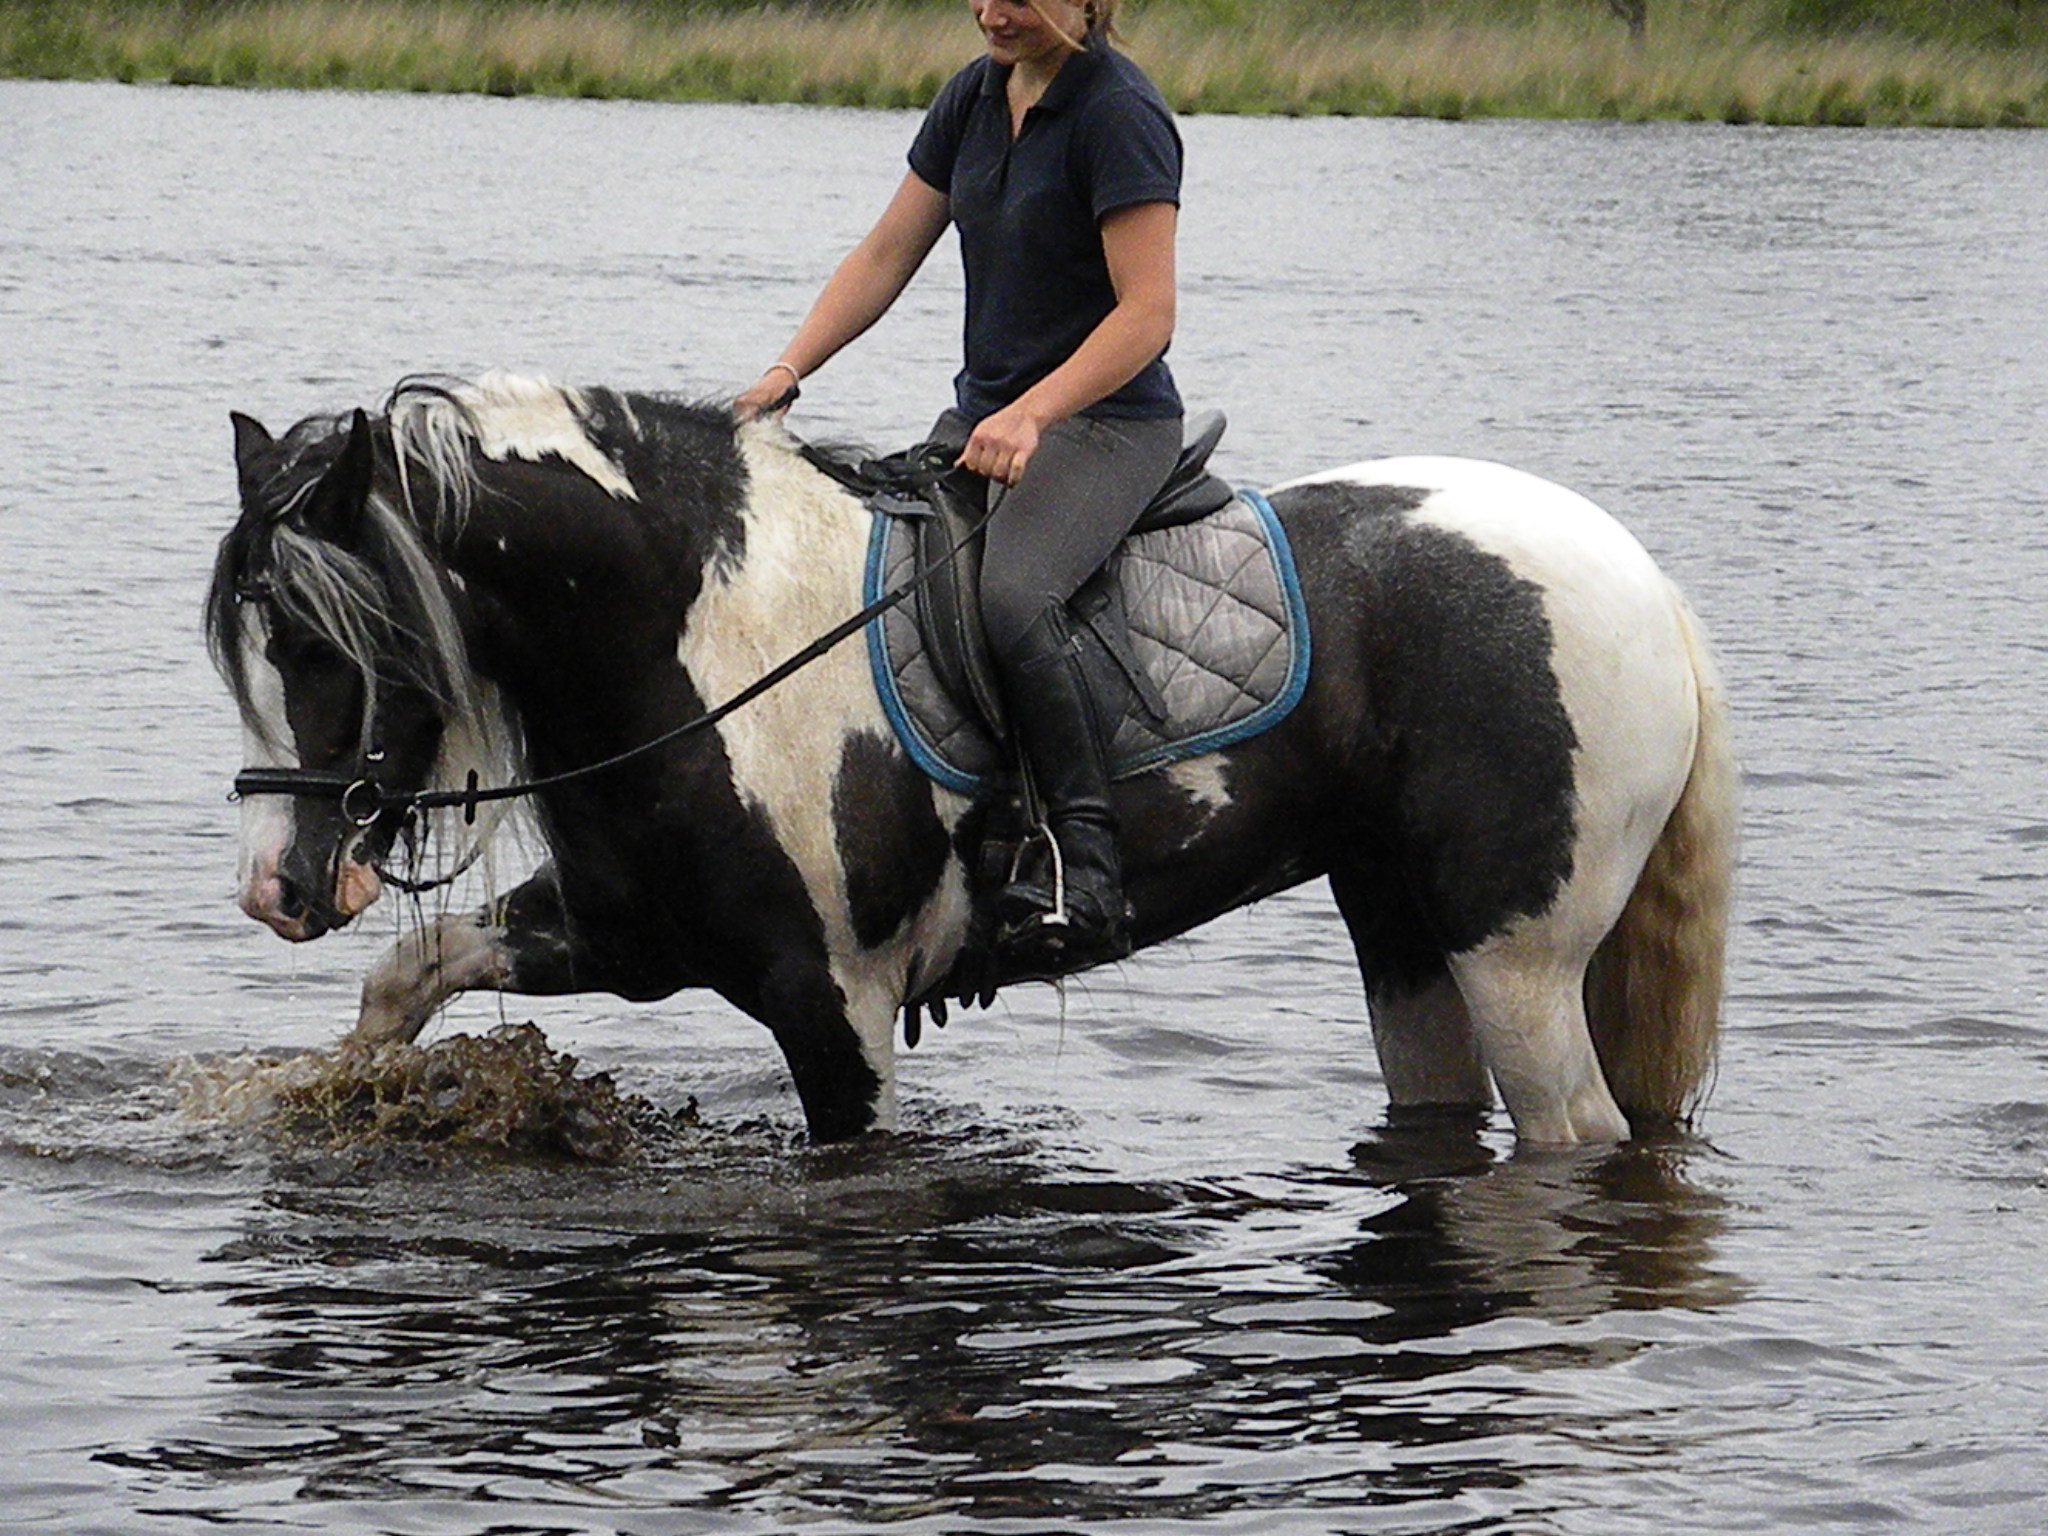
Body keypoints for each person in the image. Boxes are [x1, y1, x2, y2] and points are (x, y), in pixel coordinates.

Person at [737, 0, 1183, 967]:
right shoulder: (972, 96)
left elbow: (1147, 315)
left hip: (1107, 425)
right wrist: (787, 370)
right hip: (983, 422)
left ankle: (1085, 855)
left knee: (1016, 597)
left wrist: (1035, 412)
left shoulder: (1120, 113)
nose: (990, 11)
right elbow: (886, 253)